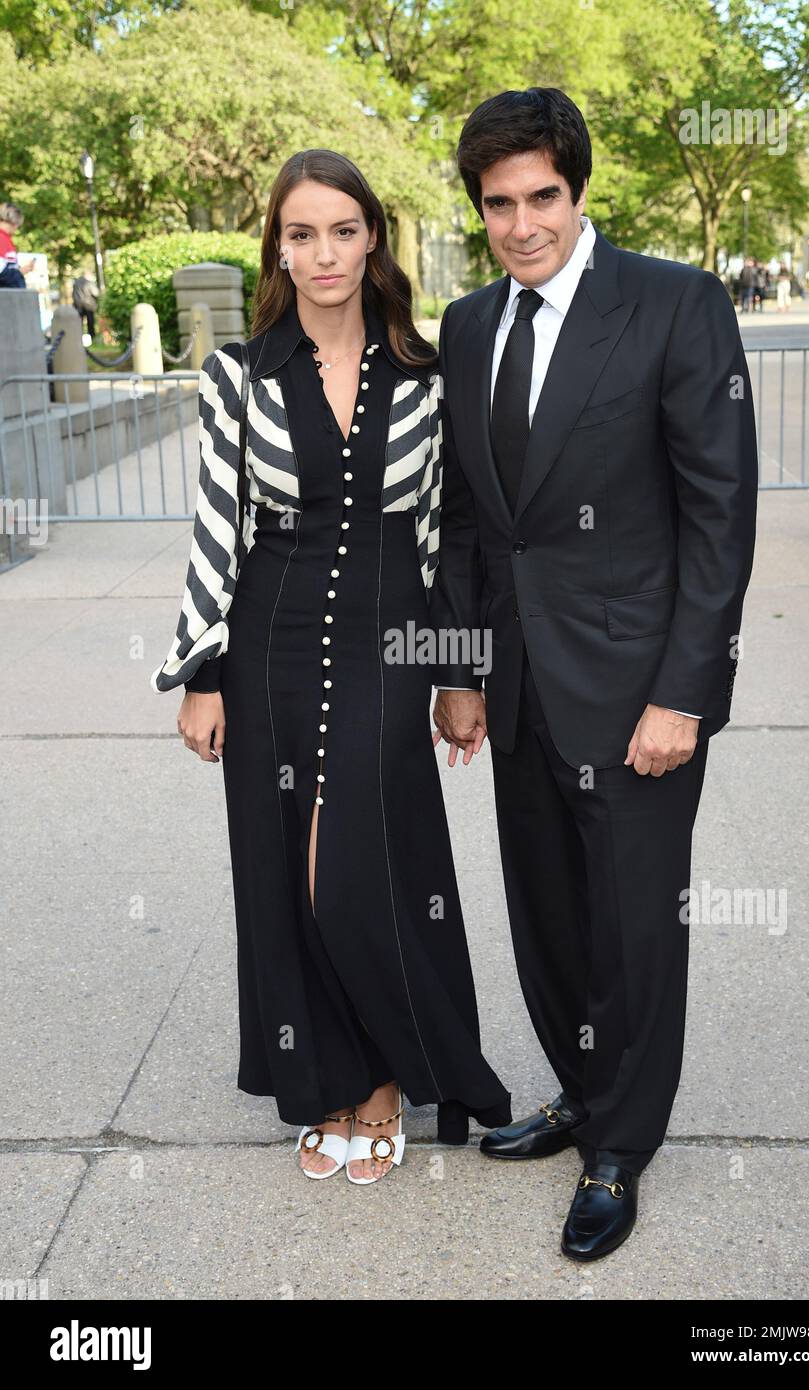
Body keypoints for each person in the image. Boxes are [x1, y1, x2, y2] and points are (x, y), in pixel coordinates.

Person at [430, 88, 757, 1261]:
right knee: (551, 921)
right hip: (517, 689)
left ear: (579, 190)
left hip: (636, 693)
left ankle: (622, 1145)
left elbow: (720, 518)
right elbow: (471, 518)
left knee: (632, 930)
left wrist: (684, 693)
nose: (523, 225)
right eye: (499, 204)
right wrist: (461, 672)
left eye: (543, 199)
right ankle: (578, 1089)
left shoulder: (673, 303)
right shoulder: (470, 325)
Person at [151, 149, 512, 1186]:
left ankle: (396, 1076)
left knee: (354, 864)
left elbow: (451, 533)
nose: (323, 253)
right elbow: (218, 524)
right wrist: (200, 673)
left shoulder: (426, 368)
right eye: (300, 233)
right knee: (286, 871)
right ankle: (333, 1083)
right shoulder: (240, 371)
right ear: (277, 245)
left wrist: (457, 674)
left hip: (392, 640)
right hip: (269, 638)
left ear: (373, 240)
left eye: (343, 230)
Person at [0, 202, 36, 288]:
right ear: (14, 222)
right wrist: (20, 272)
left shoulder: (6, 238)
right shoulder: (1, 238)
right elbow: (1, 272)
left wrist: (22, 269)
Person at [72, 273, 99, 341]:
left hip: (78, 306)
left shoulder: (76, 283)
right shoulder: (89, 283)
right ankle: (92, 338)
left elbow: (73, 295)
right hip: (88, 305)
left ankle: (79, 339)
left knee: (79, 323)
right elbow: (96, 293)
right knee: (90, 323)